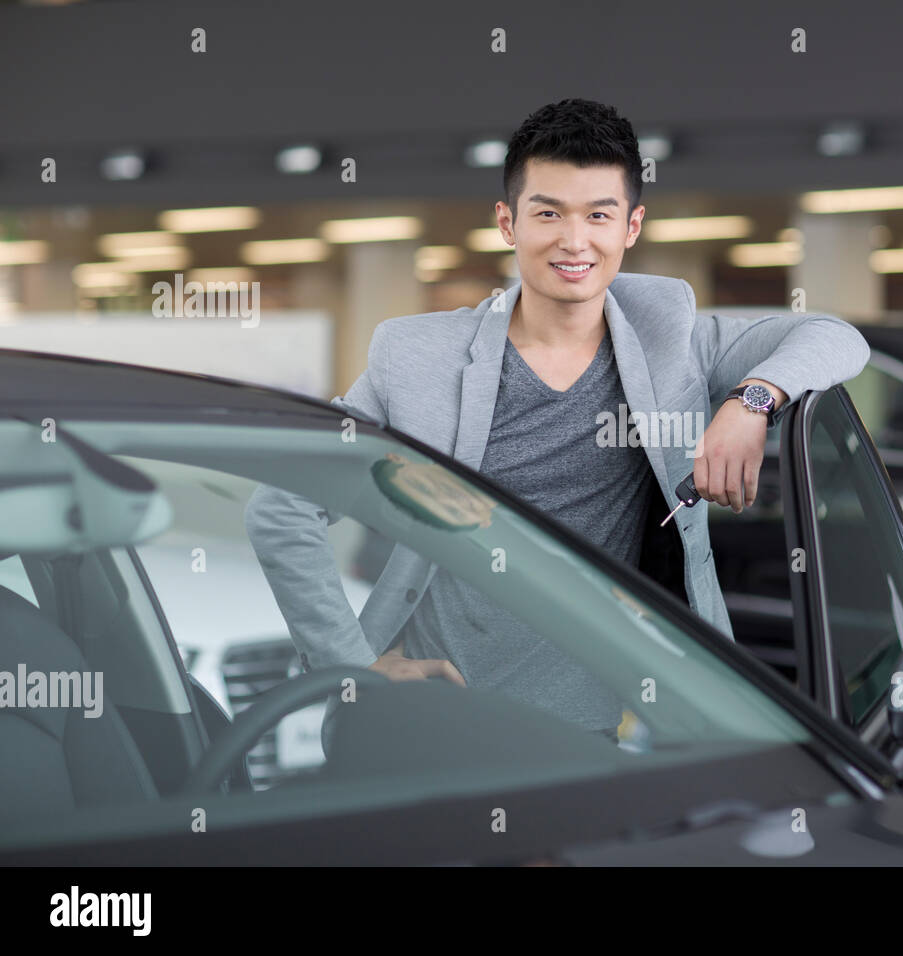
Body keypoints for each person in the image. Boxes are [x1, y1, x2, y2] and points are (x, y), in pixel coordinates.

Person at [244, 98, 870, 748]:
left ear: (631, 226)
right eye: (548, 213)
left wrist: (752, 402)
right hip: (429, 729)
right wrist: (351, 668)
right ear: (507, 222)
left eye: (599, 214)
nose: (575, 241)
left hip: (582, 743)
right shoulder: (418, 360)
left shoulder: (671, 341)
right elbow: (281, 507)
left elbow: (834, 336)